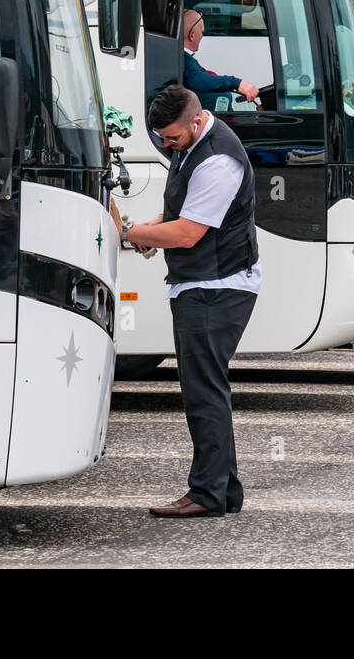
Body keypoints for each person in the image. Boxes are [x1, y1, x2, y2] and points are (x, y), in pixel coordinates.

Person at [113, 84, 260, 518]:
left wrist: (129, 233)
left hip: (217, 287)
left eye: (172, 137)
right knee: (207, 388)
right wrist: (145, 231)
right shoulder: (192, 144)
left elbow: (187, 232)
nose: (166, 144)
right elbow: (178, 213)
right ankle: (224, 492)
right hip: (206, 283)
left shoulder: (217, 159)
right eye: (160, 138)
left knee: (203, 393)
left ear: (195, 121)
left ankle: (207, 494)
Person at [181, 9, 259, 111]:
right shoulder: (184, 59)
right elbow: (198, 78)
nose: (202, 36)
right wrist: (235, 82)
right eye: (201, 32)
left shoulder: (182, 57)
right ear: (192, 35)